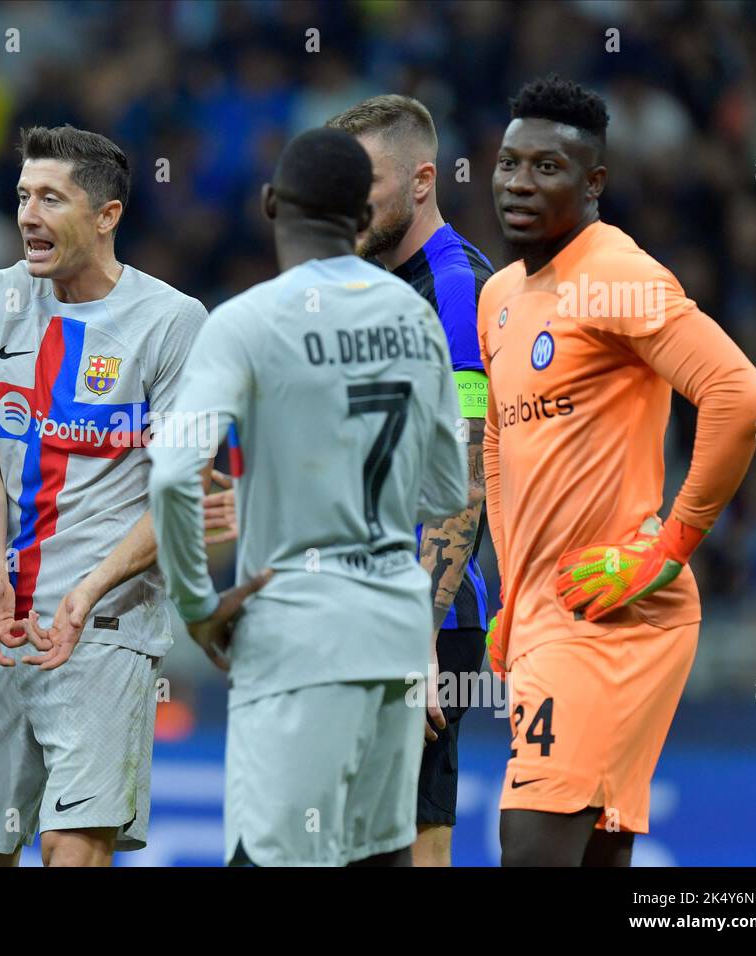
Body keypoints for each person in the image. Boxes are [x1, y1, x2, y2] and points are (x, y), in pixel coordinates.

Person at [149, 127, 468, 866]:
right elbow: (451, 484)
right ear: (362, 222)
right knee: (378, 857)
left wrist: (197, 606)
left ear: (269, 205)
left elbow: (172, 473)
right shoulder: (417, 318)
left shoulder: (247, 323)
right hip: (394, 630)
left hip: (298, 636)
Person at [480, 75, 756, 866]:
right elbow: (501, 446)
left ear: (594, 182)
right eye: (509, 163)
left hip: (610, 611)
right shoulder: (501, 296)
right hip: (547, 610)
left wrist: (670, 545)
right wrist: (512, 589)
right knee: (594, 854)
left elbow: (739, 396)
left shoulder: (619, 275)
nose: (517, 183)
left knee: (531, 846)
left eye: (547, 168)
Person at [0, 124, 208, 867]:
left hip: (104, 630)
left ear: (106, 215)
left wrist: (89, 591)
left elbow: (179, 491)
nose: (28, 213)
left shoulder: (171, 322)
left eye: (51, 198)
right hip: (3, 628)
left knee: (72, 847)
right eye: (23, 195)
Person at [327, 95, 494, 867]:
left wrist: (419, 636)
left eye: (366, 183)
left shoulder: (458, 292)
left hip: (426, 615)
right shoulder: (367, 284)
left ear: (423, 180)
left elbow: (464, 465)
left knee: (416, 846)